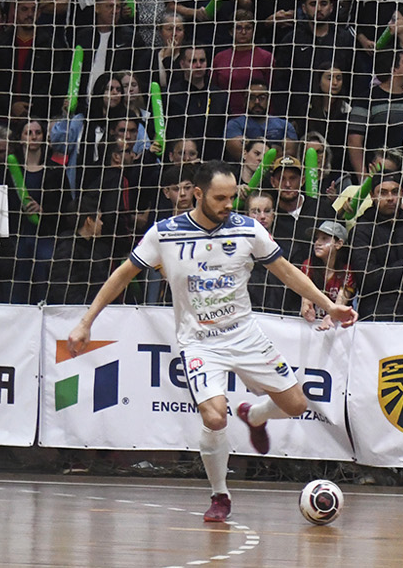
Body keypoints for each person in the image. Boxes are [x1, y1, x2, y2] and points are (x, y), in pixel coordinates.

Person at [67, 161, 355, 523]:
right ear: (197, 194)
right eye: (220, 198)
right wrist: (86, 322)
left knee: (296, 405)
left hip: (245, 335)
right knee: (214, 416)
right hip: (199, 343)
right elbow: (123, 275)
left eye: (233, 196)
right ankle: (220, 494)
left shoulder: (248, 229)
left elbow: (285, 270)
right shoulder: (165, 234)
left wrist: (329, 305)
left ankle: (255, 415)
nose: (228, 204)